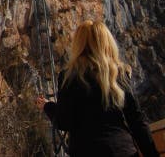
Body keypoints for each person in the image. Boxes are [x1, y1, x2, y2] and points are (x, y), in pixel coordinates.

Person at [37, 20, 158, 157]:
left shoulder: (69, 77)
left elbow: (64, 121)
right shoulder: (117, 73)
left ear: (78, 44)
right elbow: (136, 121)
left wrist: (48, 107)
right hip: (122, 150)